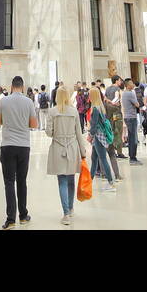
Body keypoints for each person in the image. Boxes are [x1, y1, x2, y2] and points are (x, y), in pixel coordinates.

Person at [0, 75, 38, 229]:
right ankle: (24, 215)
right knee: (22, 181)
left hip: (7, 145)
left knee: (9, 182)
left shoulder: (3, 101)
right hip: (24, 146)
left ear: (11, 86)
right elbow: (33, 124)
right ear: (23, 86)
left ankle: (11, 219)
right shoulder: (28, 101)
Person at [45, 85, 85, 225]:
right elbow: (79, 133)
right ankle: (71, 207)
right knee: (70, 179)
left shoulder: (52, 112)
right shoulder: (73, 112)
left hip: (58, 147)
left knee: (61, 180)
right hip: (72, 147)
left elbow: (49, 132)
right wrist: (83, 151)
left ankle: (66, 213)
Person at [86, 87, 118, 192]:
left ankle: (111, 183)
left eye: (90, 95)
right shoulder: (100, 107)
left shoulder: (95, 109)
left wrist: (90, 136)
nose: (89, 97)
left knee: (103, 159)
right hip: (100, 137)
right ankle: (89, 181)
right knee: (94, 159)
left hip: (98, 137)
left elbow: (94, 126)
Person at [120, 77, 143, 166]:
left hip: (127, 116)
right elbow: (137, 104)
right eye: (131, 83)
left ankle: (132, 156)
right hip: (131, 117)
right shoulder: (130, 93)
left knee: (131, 137)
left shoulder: (125, 93)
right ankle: (133, 158)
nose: (133, 84)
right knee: (133, 138)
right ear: (128, 85)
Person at [104, 75, 126, 159]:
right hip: (116, 112)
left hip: (109, 113)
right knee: (119, 132)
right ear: (116, 81)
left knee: (111, 131)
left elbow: (105, 99)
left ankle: (111, 151)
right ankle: (119, 152)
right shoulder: (117, 89)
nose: (120, 82)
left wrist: (109, 102)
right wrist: (114, 103)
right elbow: (117, 98)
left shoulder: (107, 89)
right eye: (120, 81)